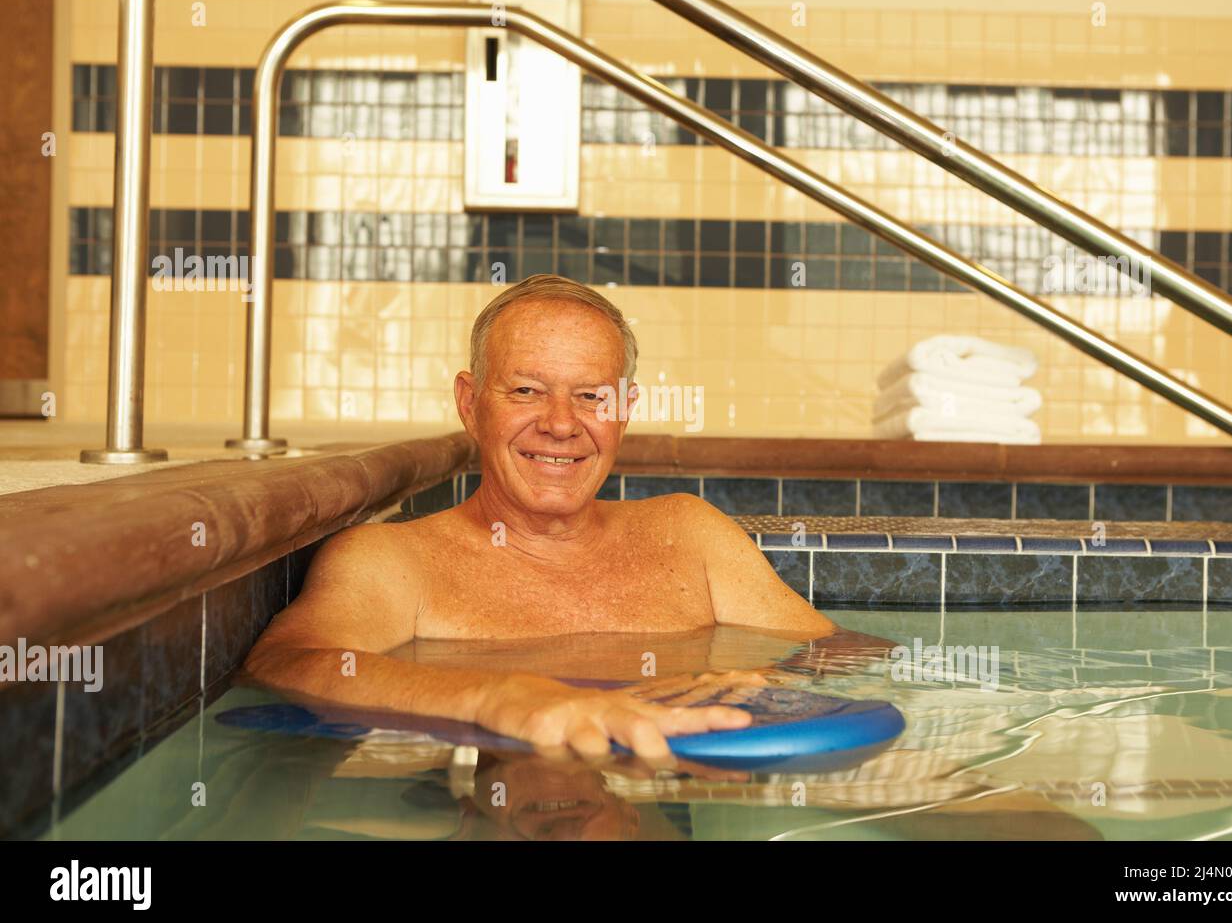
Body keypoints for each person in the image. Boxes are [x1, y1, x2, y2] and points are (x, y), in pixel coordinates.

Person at [245, 274, 879, 761]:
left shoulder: (689, 536)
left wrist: (754, 685)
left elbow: (843, 651)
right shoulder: (396, 562)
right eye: (525, 390)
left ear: (624, 409)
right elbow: (291, 661)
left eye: (591, 396)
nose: (560, 423)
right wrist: (499, 696)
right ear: (471, 403)